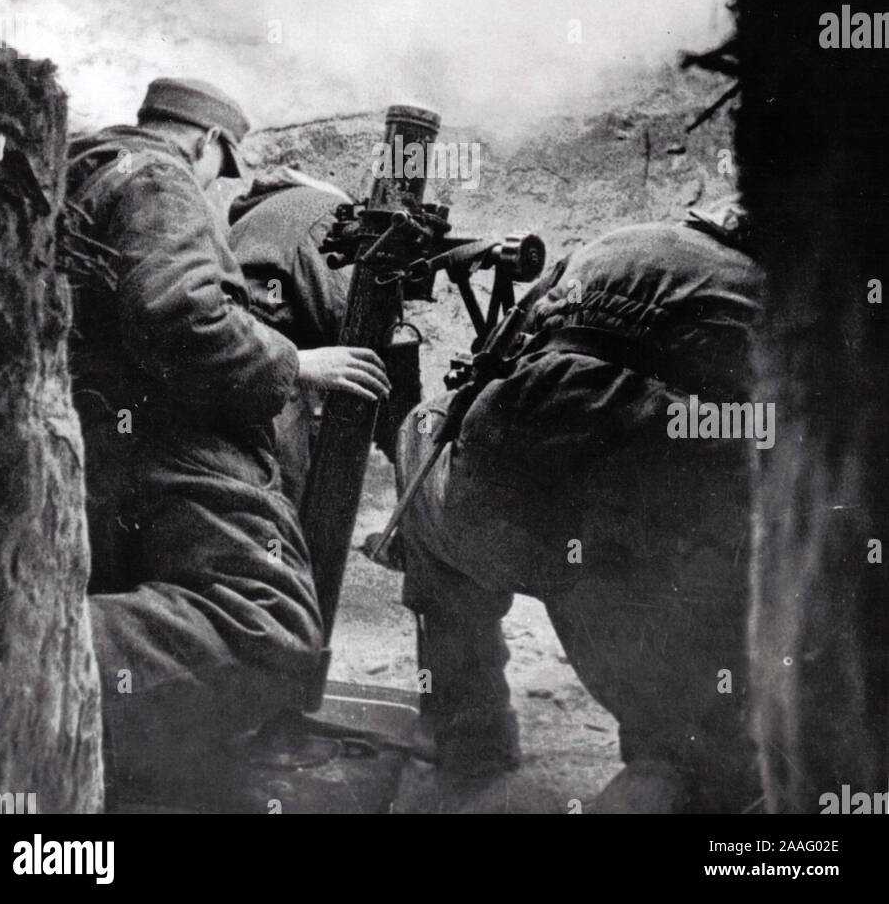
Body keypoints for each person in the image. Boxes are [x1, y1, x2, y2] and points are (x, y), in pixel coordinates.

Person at [66, 77, 389, 807]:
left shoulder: (78, 172)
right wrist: (294, 362)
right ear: (208, 142)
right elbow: (179, 311)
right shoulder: (157, 175)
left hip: (94, 444)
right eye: (223, 165)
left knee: (125, 587)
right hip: (170, 440)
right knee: (264, 625)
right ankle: (5, 642)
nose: (218, 184)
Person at [395, 199, 763, 813]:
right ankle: (668, 763)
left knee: (426, 433)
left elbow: (485, 371)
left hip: (488, 520)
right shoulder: (789, 304)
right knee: (688, 739)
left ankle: (470, 741)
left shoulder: (619, 239)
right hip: (644, 557)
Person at [228, 169, 351, 504]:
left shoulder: (256, 215)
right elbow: (341, 312)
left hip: (233, 354)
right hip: (275, 373)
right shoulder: (327, 214)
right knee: (281, 495)